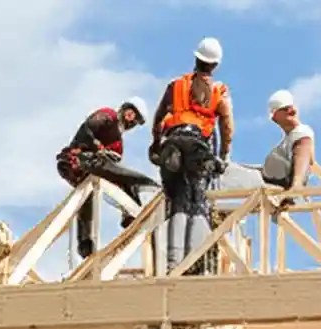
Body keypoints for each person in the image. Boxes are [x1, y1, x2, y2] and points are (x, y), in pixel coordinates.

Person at [149, 37, 235, 274]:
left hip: (173, 144)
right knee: (198, 204)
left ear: (196, 58)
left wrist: (156, 143)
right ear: (215, 65)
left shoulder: (176, 85)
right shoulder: (219, 91)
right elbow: (227, 127)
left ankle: (173, 264)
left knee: (177, 204)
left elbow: (158, 119)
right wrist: (224, 155)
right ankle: (194, 264)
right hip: (198, 148)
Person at [55, 97, 157, 259]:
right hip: (75, 161)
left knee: (88, 194)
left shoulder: (118, 144)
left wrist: (126, 203)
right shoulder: (107, 116)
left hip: (89, 172)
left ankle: (87, 244)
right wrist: (98, 148)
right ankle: (146, 187)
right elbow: (85, 131)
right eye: (131, 115)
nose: (131, 121)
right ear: (124, 109)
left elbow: (114, 172)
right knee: (116, 175)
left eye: (135, 120)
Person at [261, 89, 315, 192]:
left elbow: (303, 151)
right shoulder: (286, 142)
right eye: (285, 108)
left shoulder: (301, 132)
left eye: (291, 107)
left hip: (283, 187)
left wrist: (297, 185)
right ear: (274, 118)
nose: (290, 110)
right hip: (272, 188)